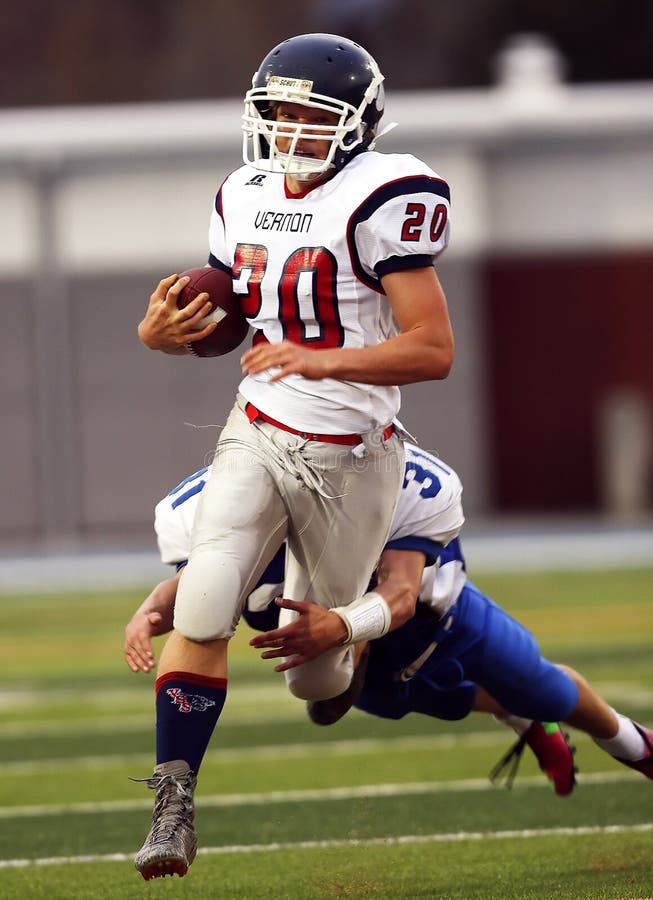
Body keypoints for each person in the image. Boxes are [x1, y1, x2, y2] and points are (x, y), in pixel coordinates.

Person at [133, 32, 456, 880]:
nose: (290, 129)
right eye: (278, 111)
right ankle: (173, 804)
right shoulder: (241, 191)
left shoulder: (386, 195)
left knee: (313, 681)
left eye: (312, 116)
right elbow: (228, 313)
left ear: (356, 124)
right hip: (259, 424)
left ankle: (342, 651)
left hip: (354, 449)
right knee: (203, 600)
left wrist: (325, 359)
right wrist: (161, 333)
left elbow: (433, 350)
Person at [126, 447, 653, 826]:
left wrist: (343, 625)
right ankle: (520, 716)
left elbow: (401, 594)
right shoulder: (209, 507)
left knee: (544, 690)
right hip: (343, 651)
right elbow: (192, 588)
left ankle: (632, 743)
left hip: (434, 623)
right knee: (343, 702)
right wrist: (150, 612)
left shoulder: (398, 480)